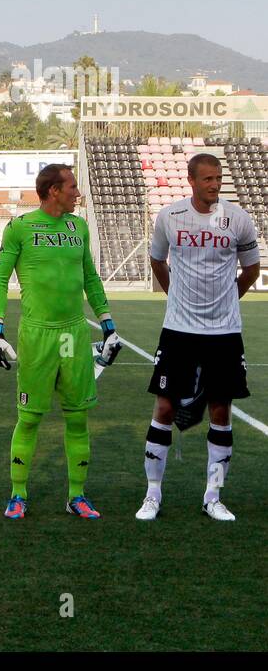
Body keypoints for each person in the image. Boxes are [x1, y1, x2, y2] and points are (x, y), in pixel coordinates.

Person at [0, 163, 122, 520]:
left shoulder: (79, 227)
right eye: (73, 187)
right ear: (53, 191)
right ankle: (18, 494)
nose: (78, 193)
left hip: (73, 335)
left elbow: (90, 278)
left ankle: (77, 495)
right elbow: (0, 279)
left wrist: (108, 323)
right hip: (37, 336)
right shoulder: (20, 227)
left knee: (77, 419)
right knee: (29, 419)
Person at [137, 153, 260, 522]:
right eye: (207, 178)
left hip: (224, 333)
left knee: (220, 412)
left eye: (218, 178)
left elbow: (252, 269)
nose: (215, 184)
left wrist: (227, 302)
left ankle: (213, 496)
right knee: (165, 408)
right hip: (179, 331)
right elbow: (158, 261)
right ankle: (152, 495)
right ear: (190, 180)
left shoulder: (237, 219)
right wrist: (176, 295)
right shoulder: (170, 217)